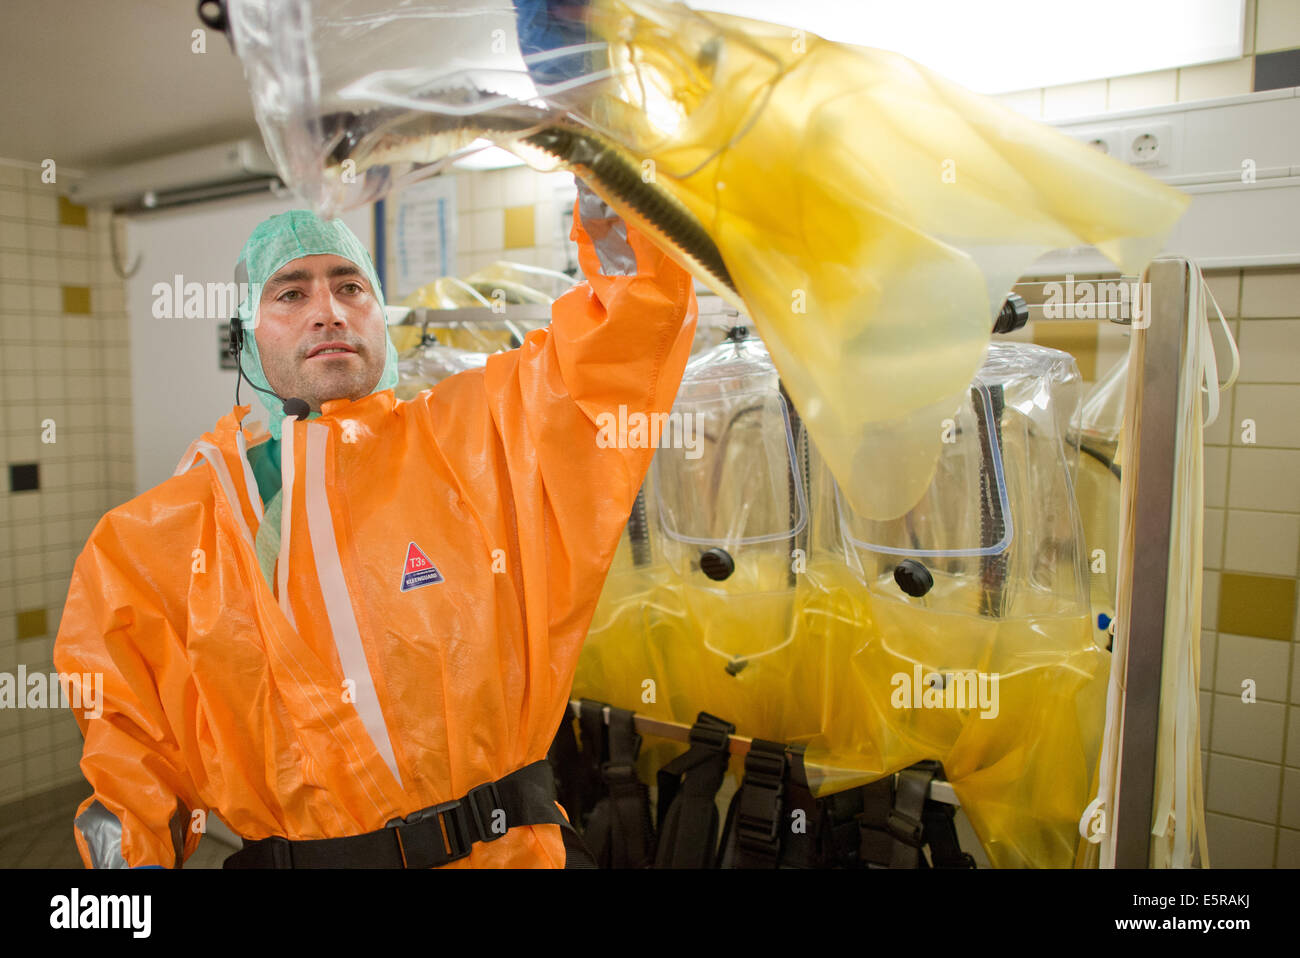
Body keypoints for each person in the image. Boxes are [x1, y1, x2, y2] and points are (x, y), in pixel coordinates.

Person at [52, 183, 698, 868]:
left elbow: (627, 332)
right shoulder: (157, 541)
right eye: (291, 293)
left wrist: (607, 167)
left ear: (379, 317)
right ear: (249, 333)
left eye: (350, 287)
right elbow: (131, 774)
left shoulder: (482, 442)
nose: (327, 310)